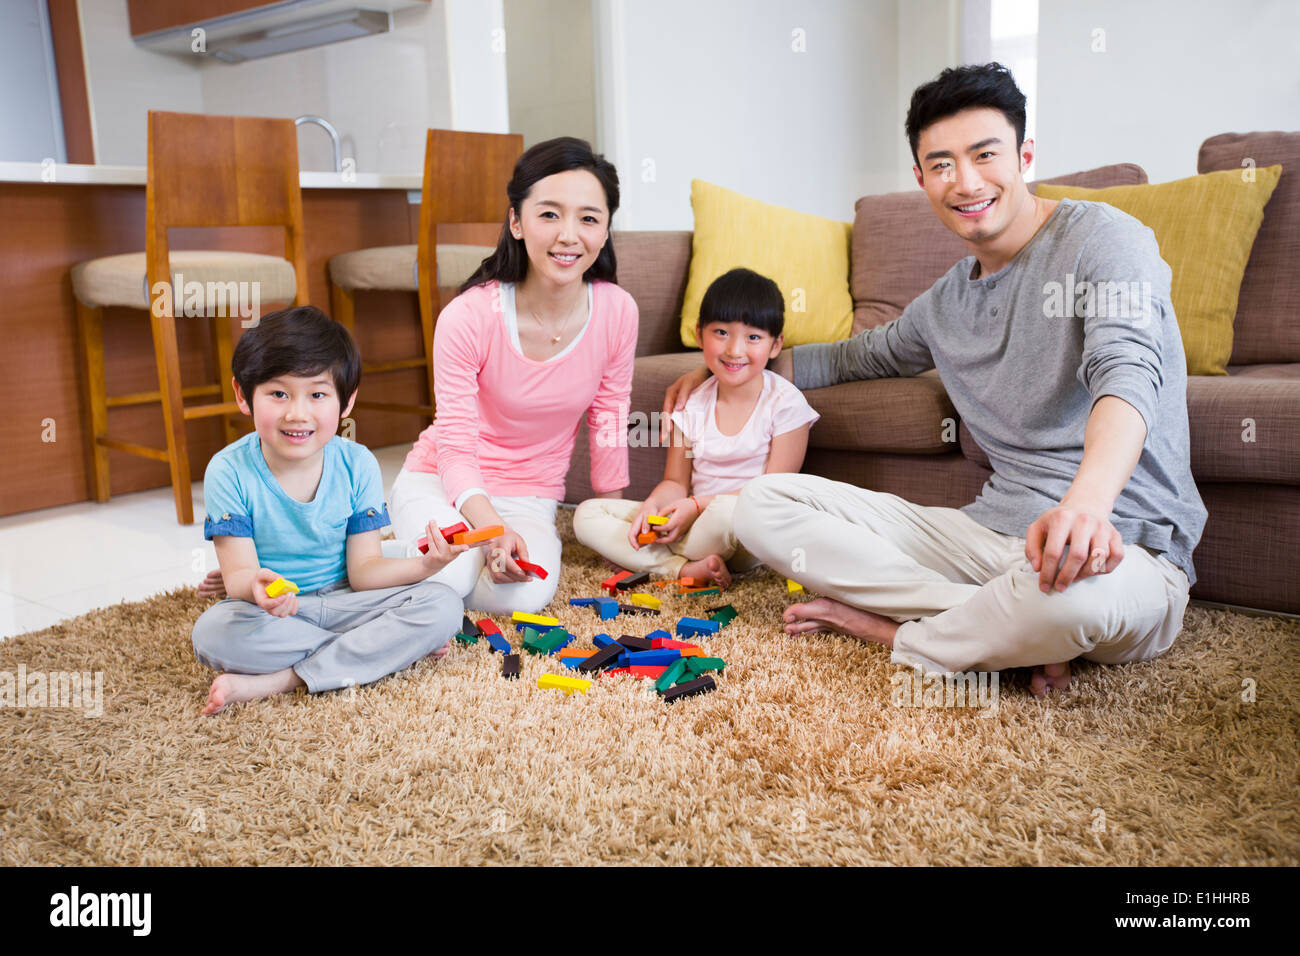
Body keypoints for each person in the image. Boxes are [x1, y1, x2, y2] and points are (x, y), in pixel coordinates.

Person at [662, 63, 1206, 695]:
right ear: (921, 179)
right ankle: (998, 628)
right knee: (758, 506)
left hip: (1122, 548)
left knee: (1070, 605)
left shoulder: (1106, 241)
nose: (966, 181)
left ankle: (898, 631)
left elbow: (1128, 369)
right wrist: (724, 362)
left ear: (1025, 154)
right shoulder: (946, 302)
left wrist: (1085, 506)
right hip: (981, 538)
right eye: (942, 164)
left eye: (985, 154)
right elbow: (848, 358)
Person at [387, 137, 637, 613]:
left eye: (588, 218)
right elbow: (456, 447)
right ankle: (371, 559)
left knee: (522, 592)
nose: (569, 235)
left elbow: (608, 420)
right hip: (444, 481)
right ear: (516, 222)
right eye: (549, 214)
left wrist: (614, 524)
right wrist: (491, 529)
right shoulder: (469, 316)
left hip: (531, 496)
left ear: (605, 231)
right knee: (454, 569)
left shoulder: (617, 311)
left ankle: (404, 565)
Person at [192, 307, 465, 716]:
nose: (297, 413)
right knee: (212, 634)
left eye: (317, 395)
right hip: (280, 612)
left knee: (445, 605)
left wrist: (427, 568)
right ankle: (382, 649)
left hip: (347, 600)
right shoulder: (227, 470)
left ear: (346, 401)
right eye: (278, 393)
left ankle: (283, 680)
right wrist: (255, 588)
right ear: (242, 395)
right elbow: (238, 577)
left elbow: (364, 571)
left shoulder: (358, 463)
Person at [573, 268, 818, 587]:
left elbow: (771, 491)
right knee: (586, 515)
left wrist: (695, 506)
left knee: (727, 513)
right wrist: (654, 505)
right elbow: (676, 481)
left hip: (745, 529)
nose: (734, 350)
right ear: (700, 333)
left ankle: (656, 555)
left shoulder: (785, 403)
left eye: (753, 337)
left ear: (775, 345)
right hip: (695, 521)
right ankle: (685, 569)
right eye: (721, 333)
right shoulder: (691, 403)